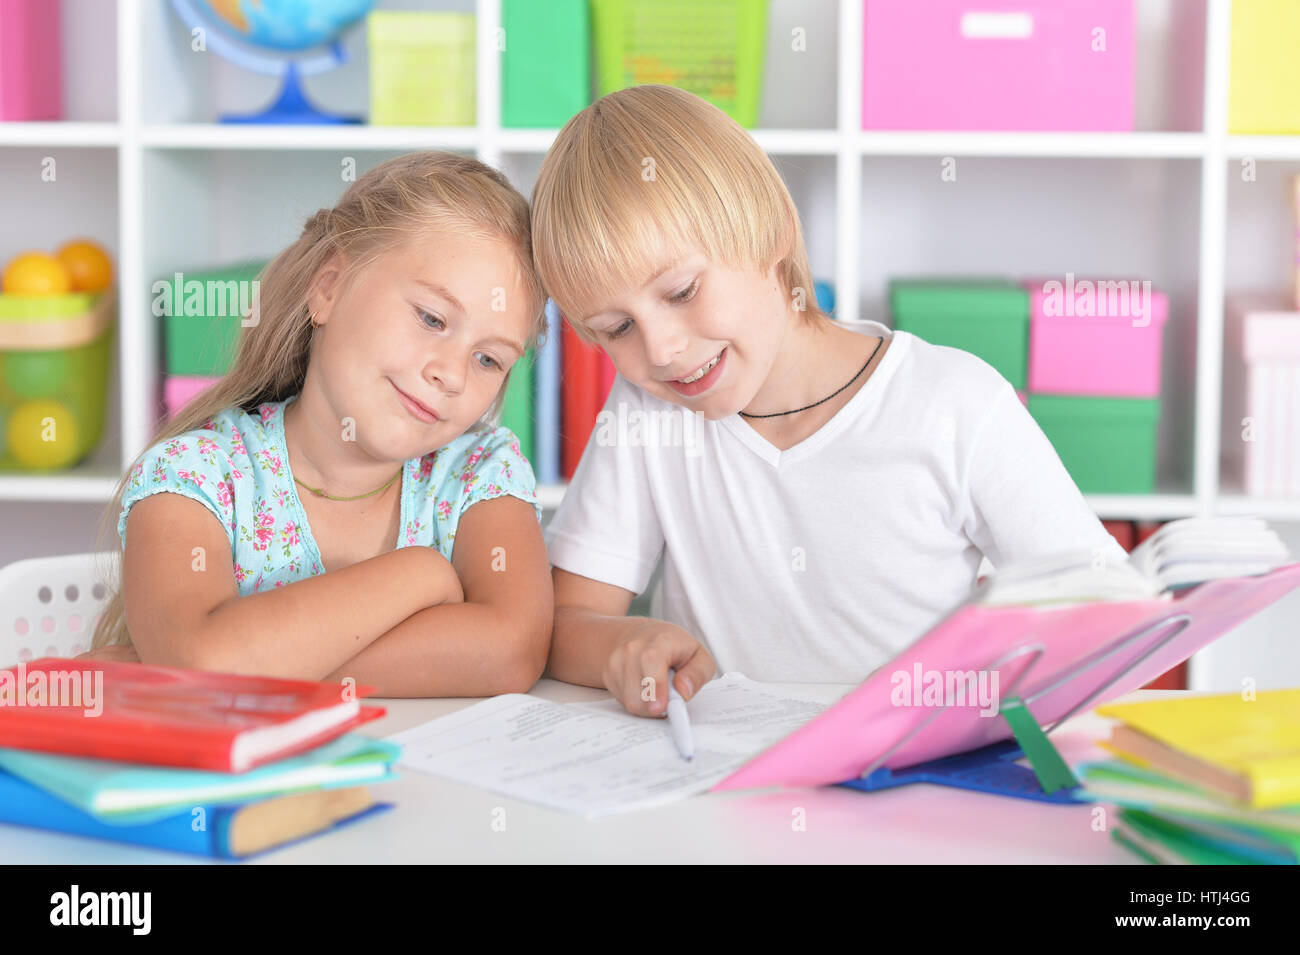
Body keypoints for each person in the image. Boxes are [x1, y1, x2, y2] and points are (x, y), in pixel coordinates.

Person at [530, 85, 1127, 716]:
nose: (662, 349)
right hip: (718, 789)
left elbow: (1106, 613)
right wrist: (625, 640)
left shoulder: (956, 402)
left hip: (909, 781)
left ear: (774, 232)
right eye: (616, 329)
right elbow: (568, 623)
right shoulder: (648, 412)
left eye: (680, 291)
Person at [85, 152, 553, 696]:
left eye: (489, 359)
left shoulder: (478, 473)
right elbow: (202, 660)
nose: (450, 373)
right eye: (431, 318)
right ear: (329, 287)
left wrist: (252, 663)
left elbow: (511, 653)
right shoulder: (196, 476)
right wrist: (421, 574)